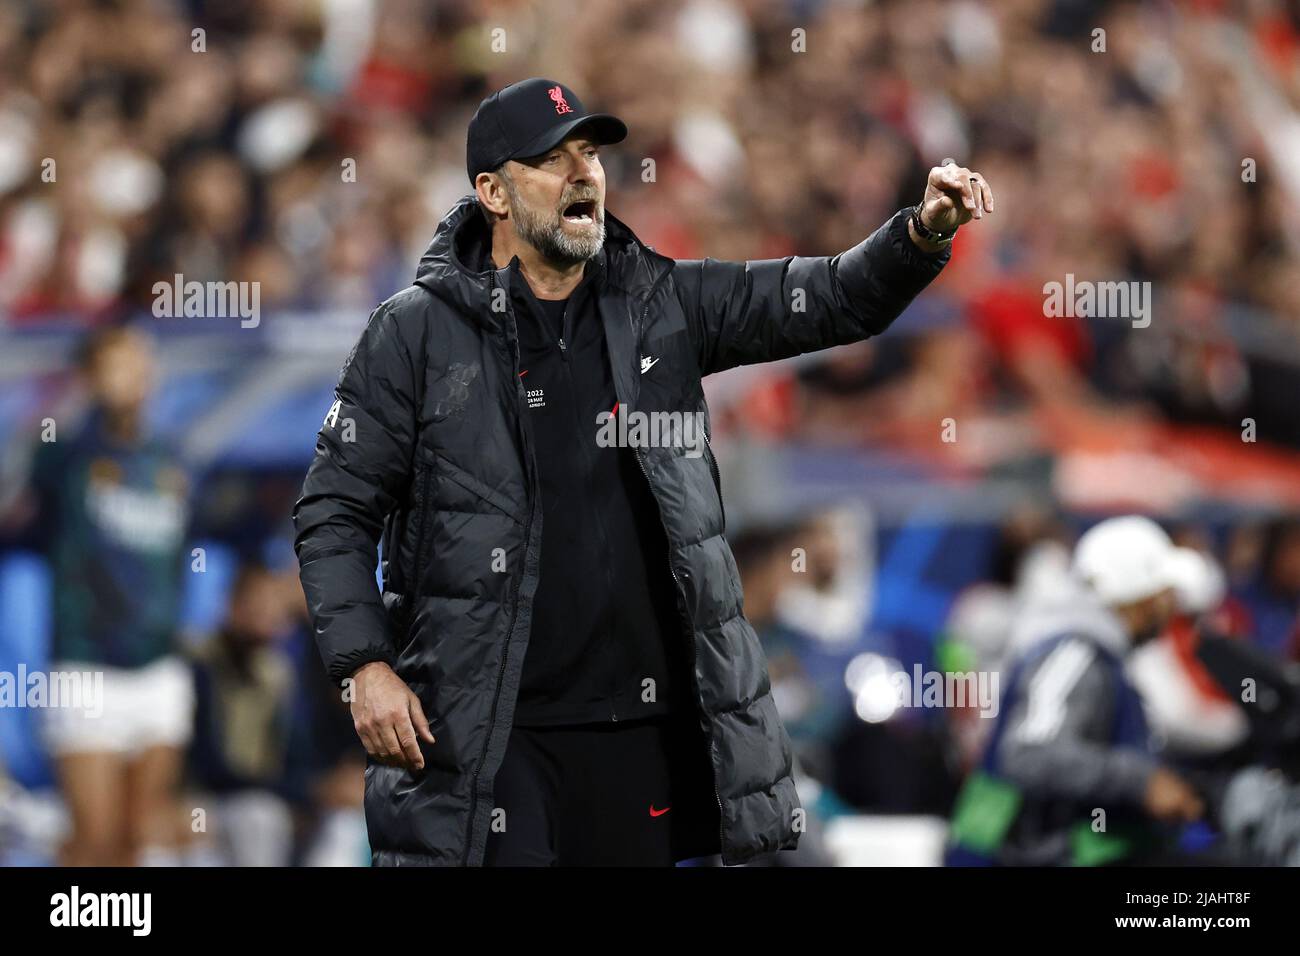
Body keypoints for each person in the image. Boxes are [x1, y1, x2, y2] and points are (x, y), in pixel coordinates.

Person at [294, 77, 993, 866]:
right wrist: (364, 665)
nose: (584, 173)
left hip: (637, 733)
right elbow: (333, 513)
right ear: (492, 191)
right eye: (551, 160)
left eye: (589, 153)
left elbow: (825, 298)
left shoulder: (659, 302)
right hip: (488, 733)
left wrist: (922, 233)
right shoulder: (414, 336)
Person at [947, 516, 1207, 866]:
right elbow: (1029, 753)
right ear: (1132, 592)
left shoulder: (1097, 655)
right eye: (1162, 593)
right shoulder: (1073, 654)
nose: (1170, 606)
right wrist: (1141, 782)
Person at [30, 325, 194, 866]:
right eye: (118, 365)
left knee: (139, 838)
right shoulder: (67, 457)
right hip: (87, 669)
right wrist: (75, 399)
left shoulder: (171, 460)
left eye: (142, 363)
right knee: (93, 843)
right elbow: (33, 457)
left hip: (157, 670)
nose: (136, 376)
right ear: (91, 379)